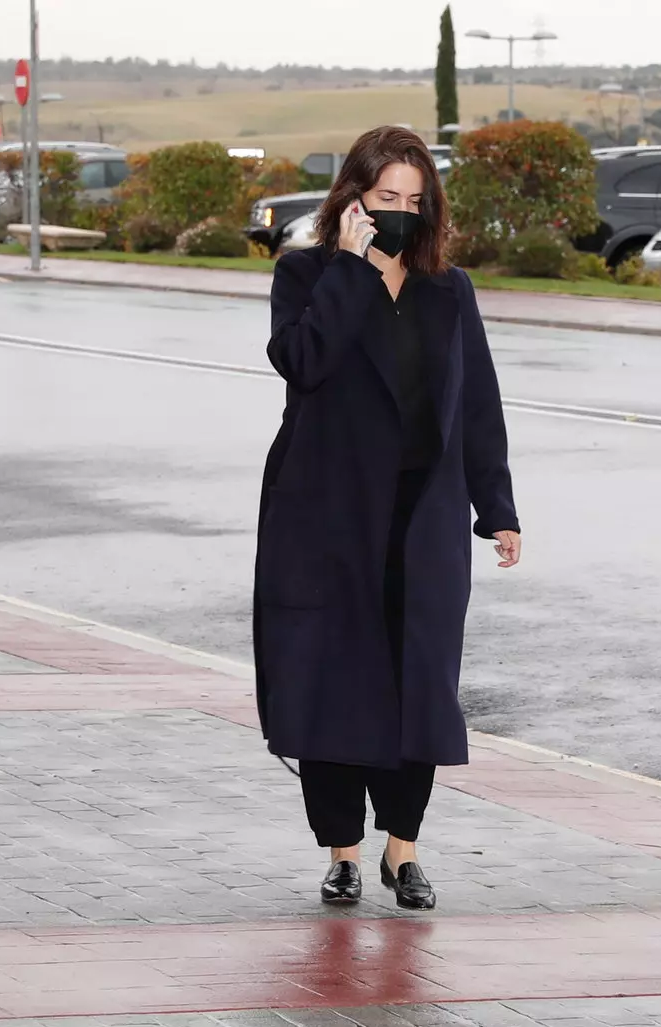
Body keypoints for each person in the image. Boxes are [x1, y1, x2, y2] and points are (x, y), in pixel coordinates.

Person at [254, 125, 523, 910]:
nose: (402, 213)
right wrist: (352, 267)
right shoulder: (307, 274)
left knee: (420, 686)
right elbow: (302, 362)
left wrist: (496, 506)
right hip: (328, 516)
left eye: (414, 200)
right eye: (385, 200)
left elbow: (478, 405)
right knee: (334, 685)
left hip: (425, 519)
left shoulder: (450, 289)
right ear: (353, 202)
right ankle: (342, 851)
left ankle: (402, 851)